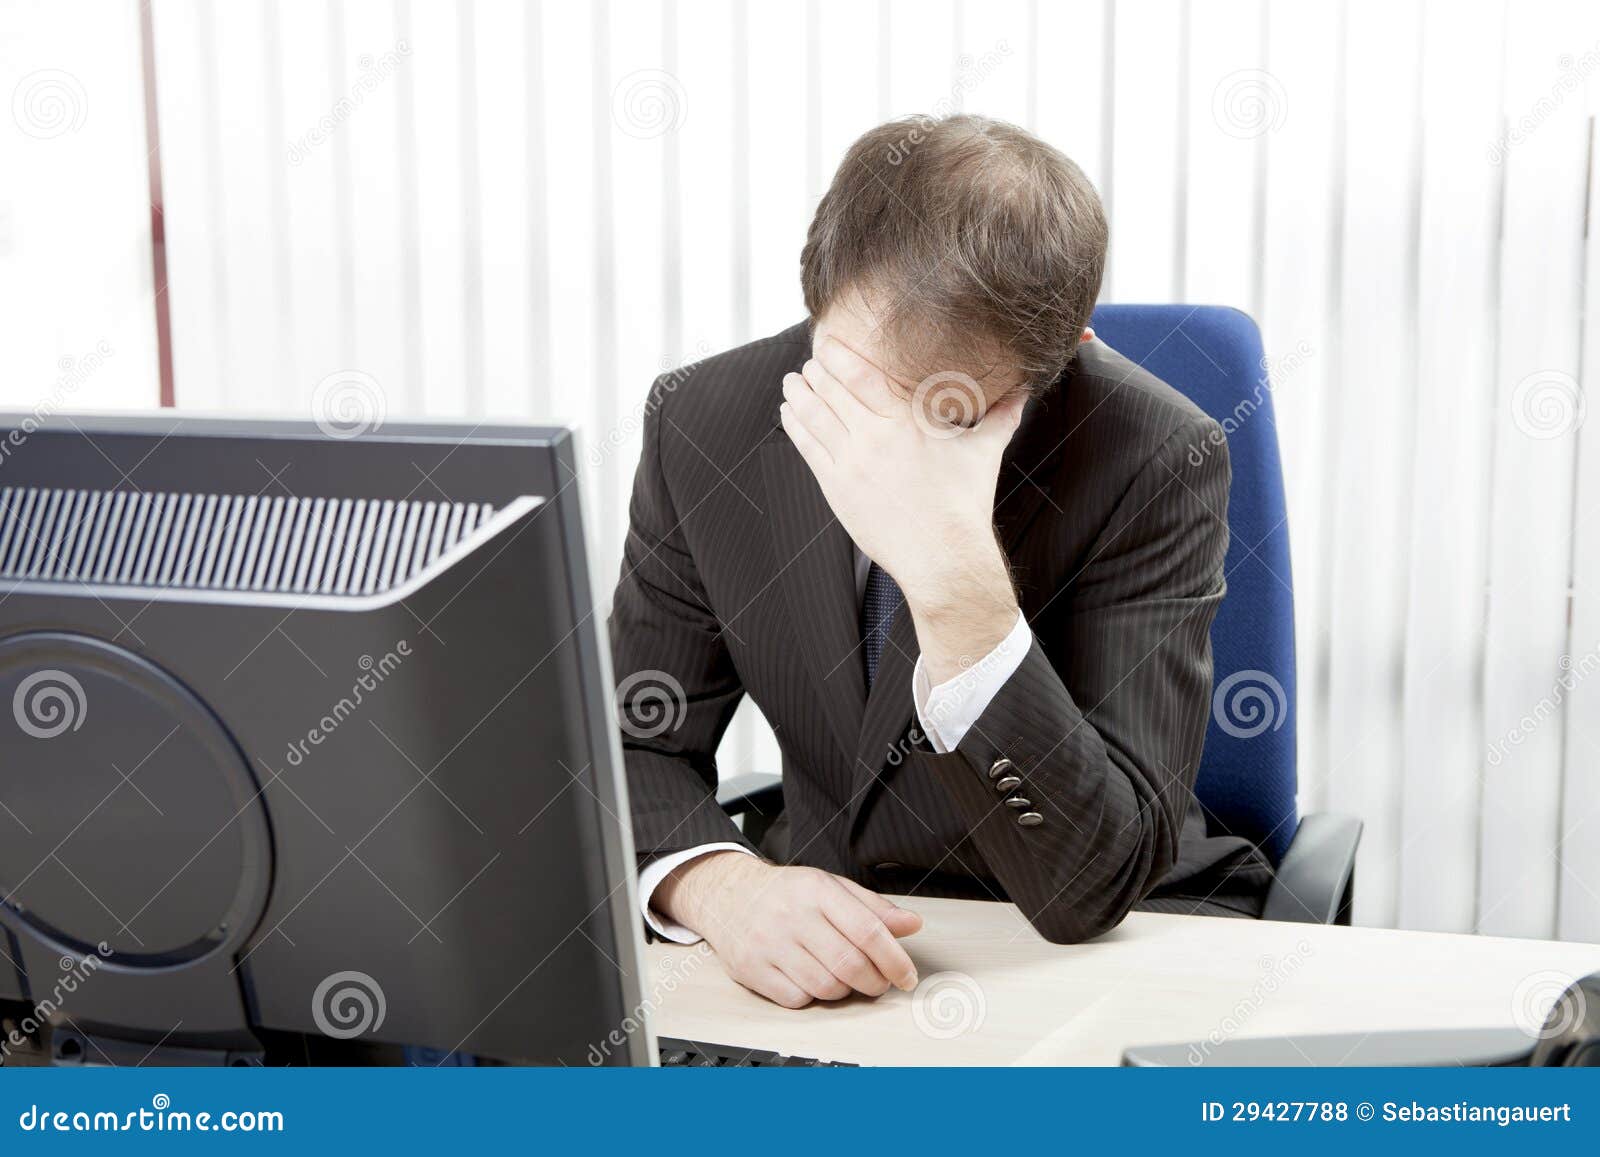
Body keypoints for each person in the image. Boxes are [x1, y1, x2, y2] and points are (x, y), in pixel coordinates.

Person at [609, 114, 1271, 1010]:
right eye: (852, 376)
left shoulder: (1155, 454)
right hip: (838, 951)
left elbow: (1092, 884)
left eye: (941, 411)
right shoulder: (704, 420)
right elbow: (630, 740)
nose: (877, 439)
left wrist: (958, 587)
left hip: (1099, 943)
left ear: (1060, 359)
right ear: (820, 291)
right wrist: (724, 887)